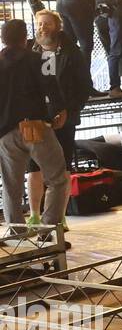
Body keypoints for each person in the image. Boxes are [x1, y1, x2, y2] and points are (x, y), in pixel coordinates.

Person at [0, 20, 70, 231]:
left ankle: (16, 233)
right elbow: (52, 88)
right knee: (57, 179)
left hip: (4, 133)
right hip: (35, 126)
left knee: (11, 187)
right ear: (25, 38)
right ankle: (50, 231)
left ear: (3, 38)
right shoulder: (39, 59)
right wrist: (60, 110)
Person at [25, 12, 90, 213]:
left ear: (57, 26)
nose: (42, 27)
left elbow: (84, 87)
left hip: (64, 118)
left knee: (62, 168)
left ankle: (59, 216)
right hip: (34, 118)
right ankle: (35, 214)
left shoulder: (72, 52)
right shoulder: (29, 51)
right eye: (39, 24)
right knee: (34, 168)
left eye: (47, 24)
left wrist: (69, 112)